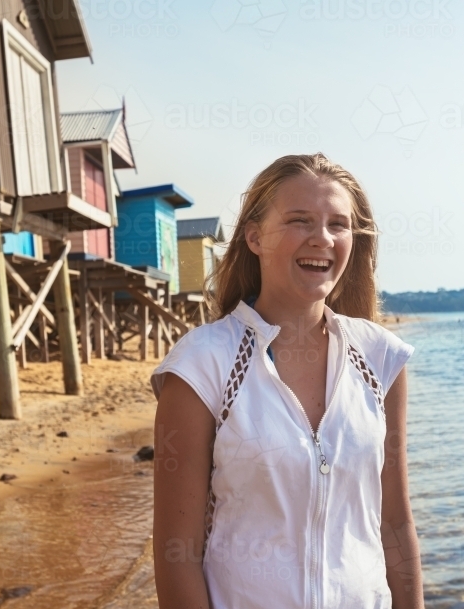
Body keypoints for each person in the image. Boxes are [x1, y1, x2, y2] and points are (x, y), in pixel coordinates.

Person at [151, 153, 425, 608]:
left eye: (338, 224)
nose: (322, 238)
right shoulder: (202, 366)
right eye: (300, 220)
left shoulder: (381, 359)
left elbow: (394, 523)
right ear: (255, 237)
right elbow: (177, 553)